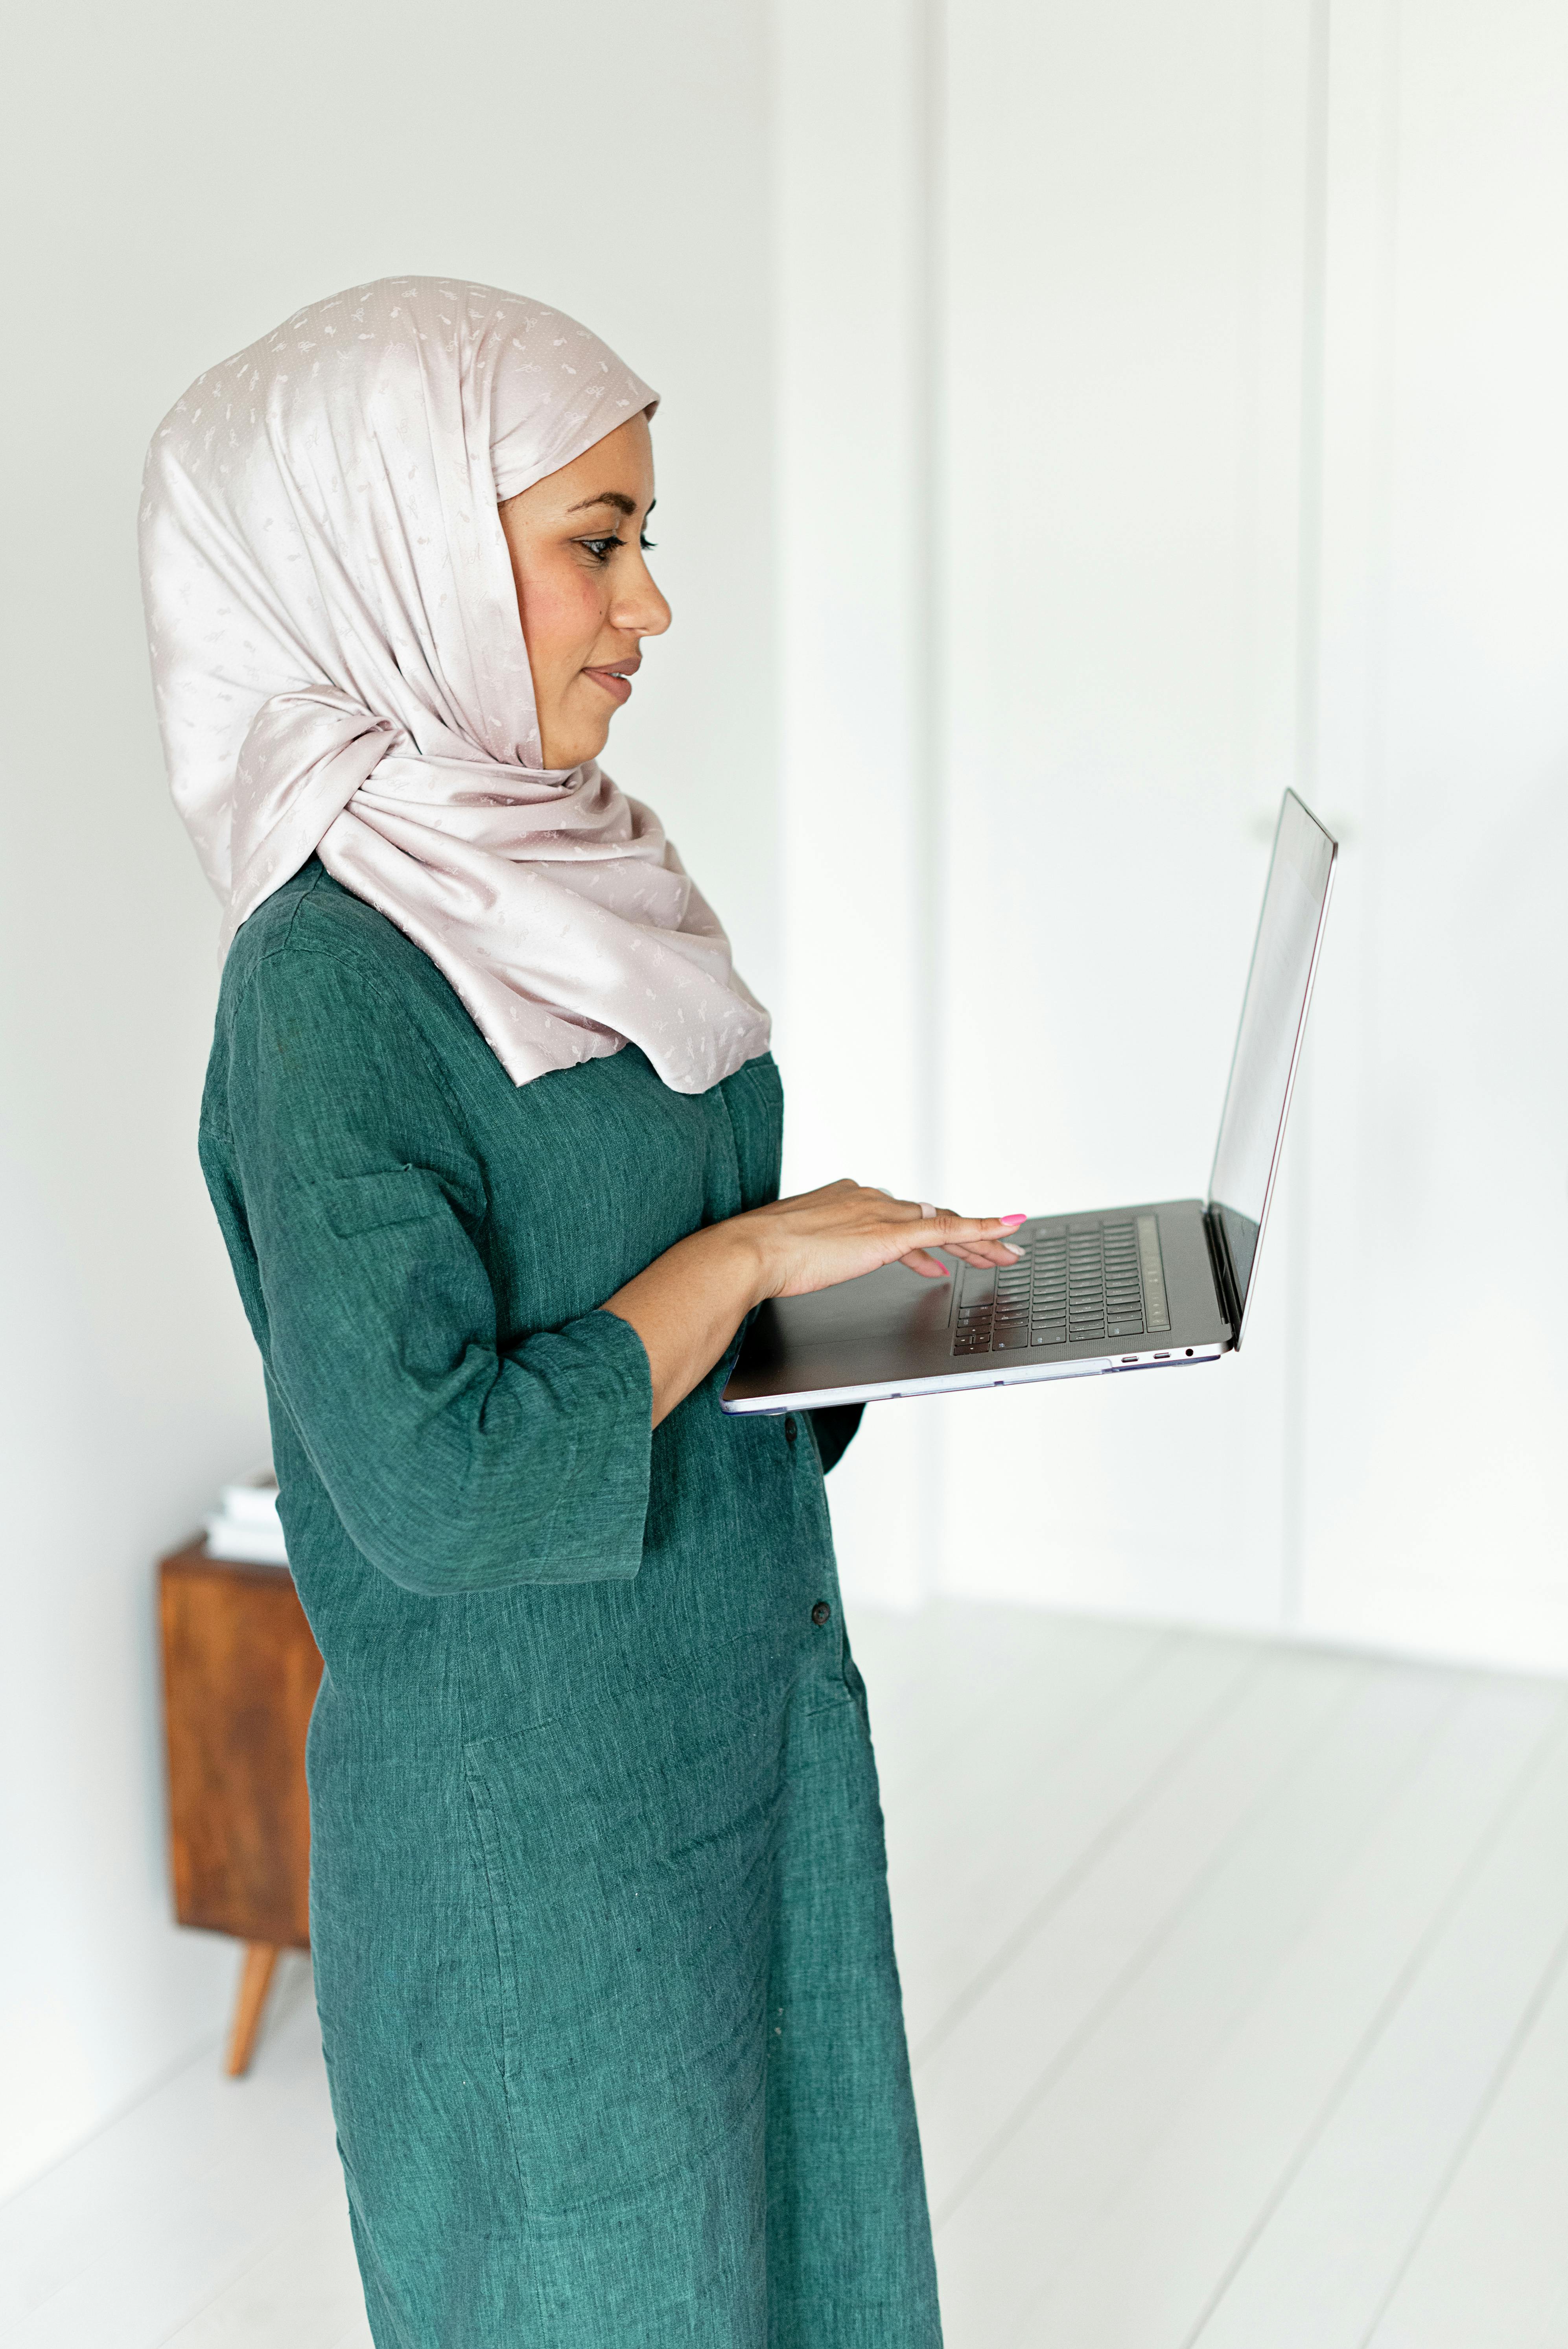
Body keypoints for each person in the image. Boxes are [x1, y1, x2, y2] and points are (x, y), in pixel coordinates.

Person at [141, 276, 1024, 2348]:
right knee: (597, 2282)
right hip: (534, 1832)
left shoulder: (594, 866)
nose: (646, 607)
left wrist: (875, 1302)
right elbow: (432, 1488)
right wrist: (733, 1261)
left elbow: (704, 1300)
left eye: (642, 537)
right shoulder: (329, 984)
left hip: (744, 1719)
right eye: (594, 542)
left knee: (801, 2249)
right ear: (403, 562)